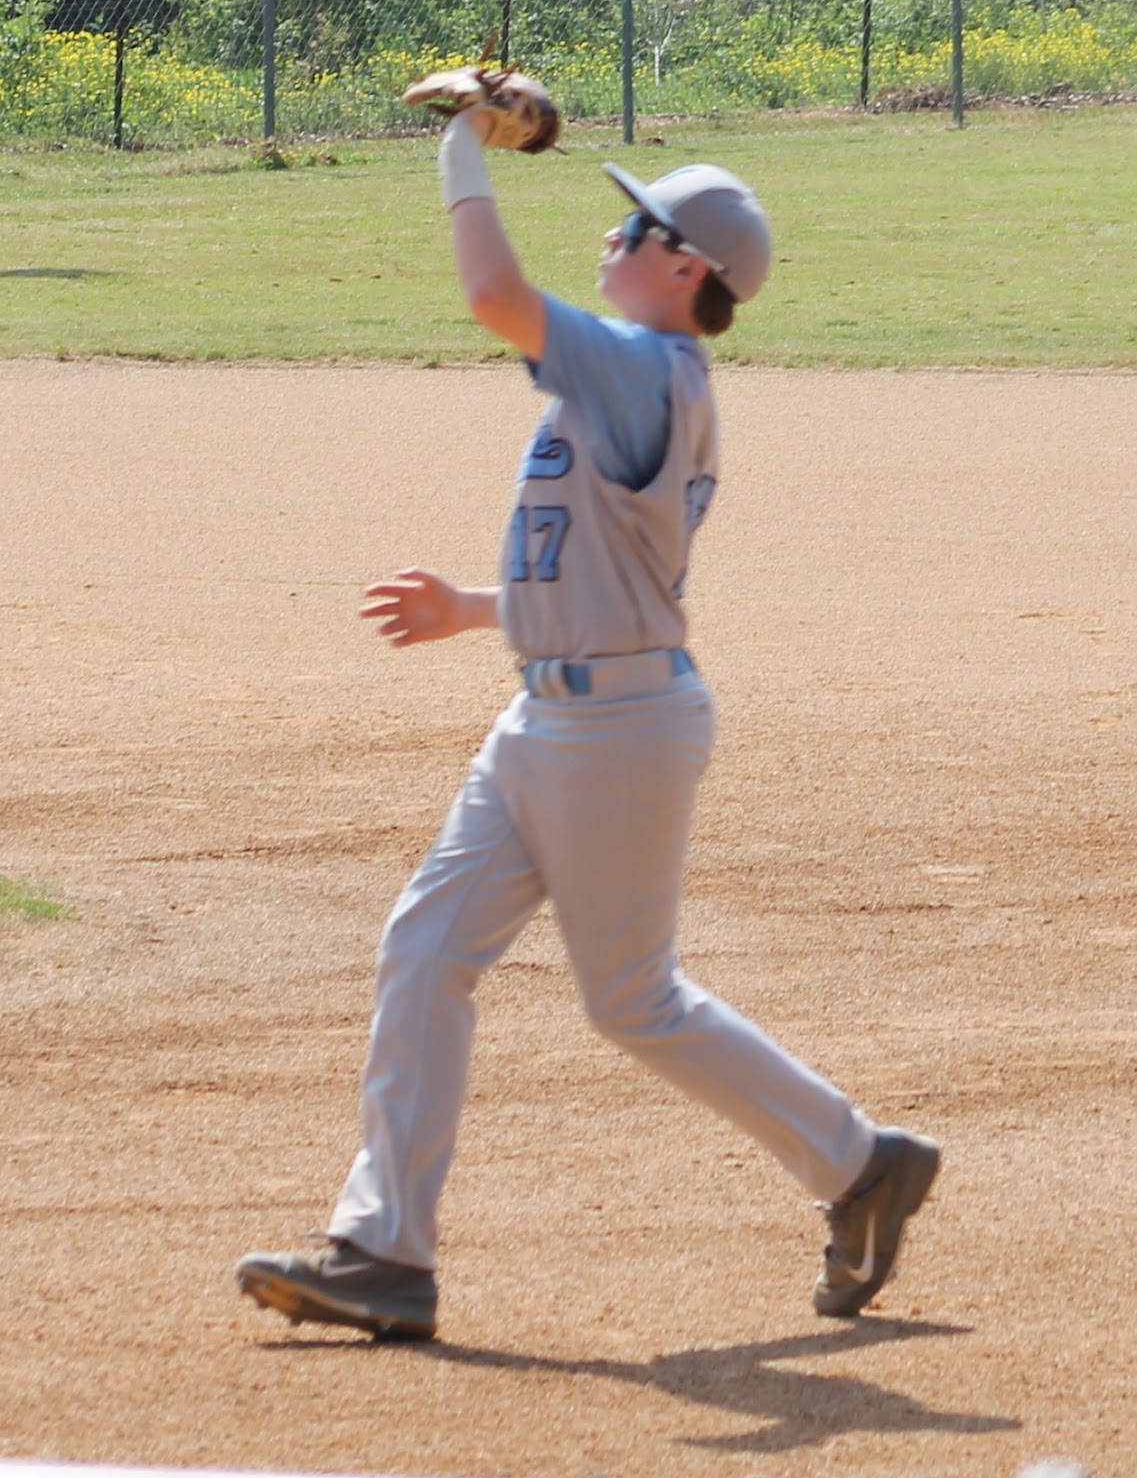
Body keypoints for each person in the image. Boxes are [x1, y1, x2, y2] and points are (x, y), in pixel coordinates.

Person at [236, 108, 940, 1340]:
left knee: (633, 1001)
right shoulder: (631, 364)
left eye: (638, 222)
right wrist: (475, 608)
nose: (612, 231)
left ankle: (857, 1160)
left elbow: (493, 292)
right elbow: (597, 574)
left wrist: (460, 146)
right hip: (548, 716)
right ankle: (384, 1251)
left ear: (687, 271)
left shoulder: (645, 364)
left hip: (619, 731)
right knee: (425, 947)